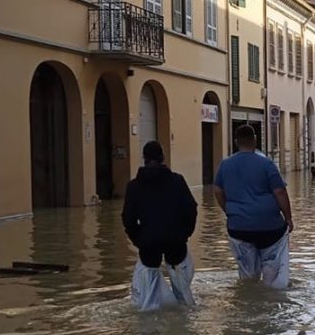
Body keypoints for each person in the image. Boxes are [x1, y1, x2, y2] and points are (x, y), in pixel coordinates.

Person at [214, 124, 294, 289]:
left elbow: (217, 191)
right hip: (270, 228)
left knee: (247, 276)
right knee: (273, 276)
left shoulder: (225, 165)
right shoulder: (267, 164)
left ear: (236, 142)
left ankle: (248, 296)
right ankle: (270, 293)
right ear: (255, 141)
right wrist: (288, 218)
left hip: (239, 227)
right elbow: (280, 192)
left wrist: (229, 212)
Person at [122, 141, 198, 311]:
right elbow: (191, 210)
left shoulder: (134, 186)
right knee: (184, 297)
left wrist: (139, 240)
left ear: (144, 159)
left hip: (149, 243)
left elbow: (128, 219)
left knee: (148, 300)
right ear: (163, 158)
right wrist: (184, 234)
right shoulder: (177, 181)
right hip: (176, 241)